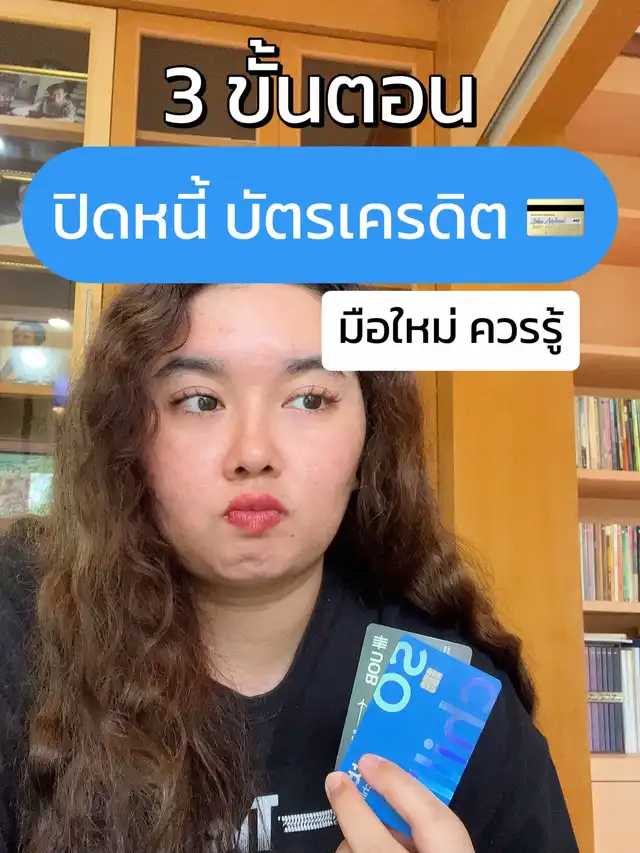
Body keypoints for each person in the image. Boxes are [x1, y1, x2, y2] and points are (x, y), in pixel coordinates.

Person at [0, 283, 579, 853]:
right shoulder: (21, 632)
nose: (254, 453)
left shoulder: (451, 691)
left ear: (369, 442)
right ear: (126, 441)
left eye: (309, 399)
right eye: (200, 400)